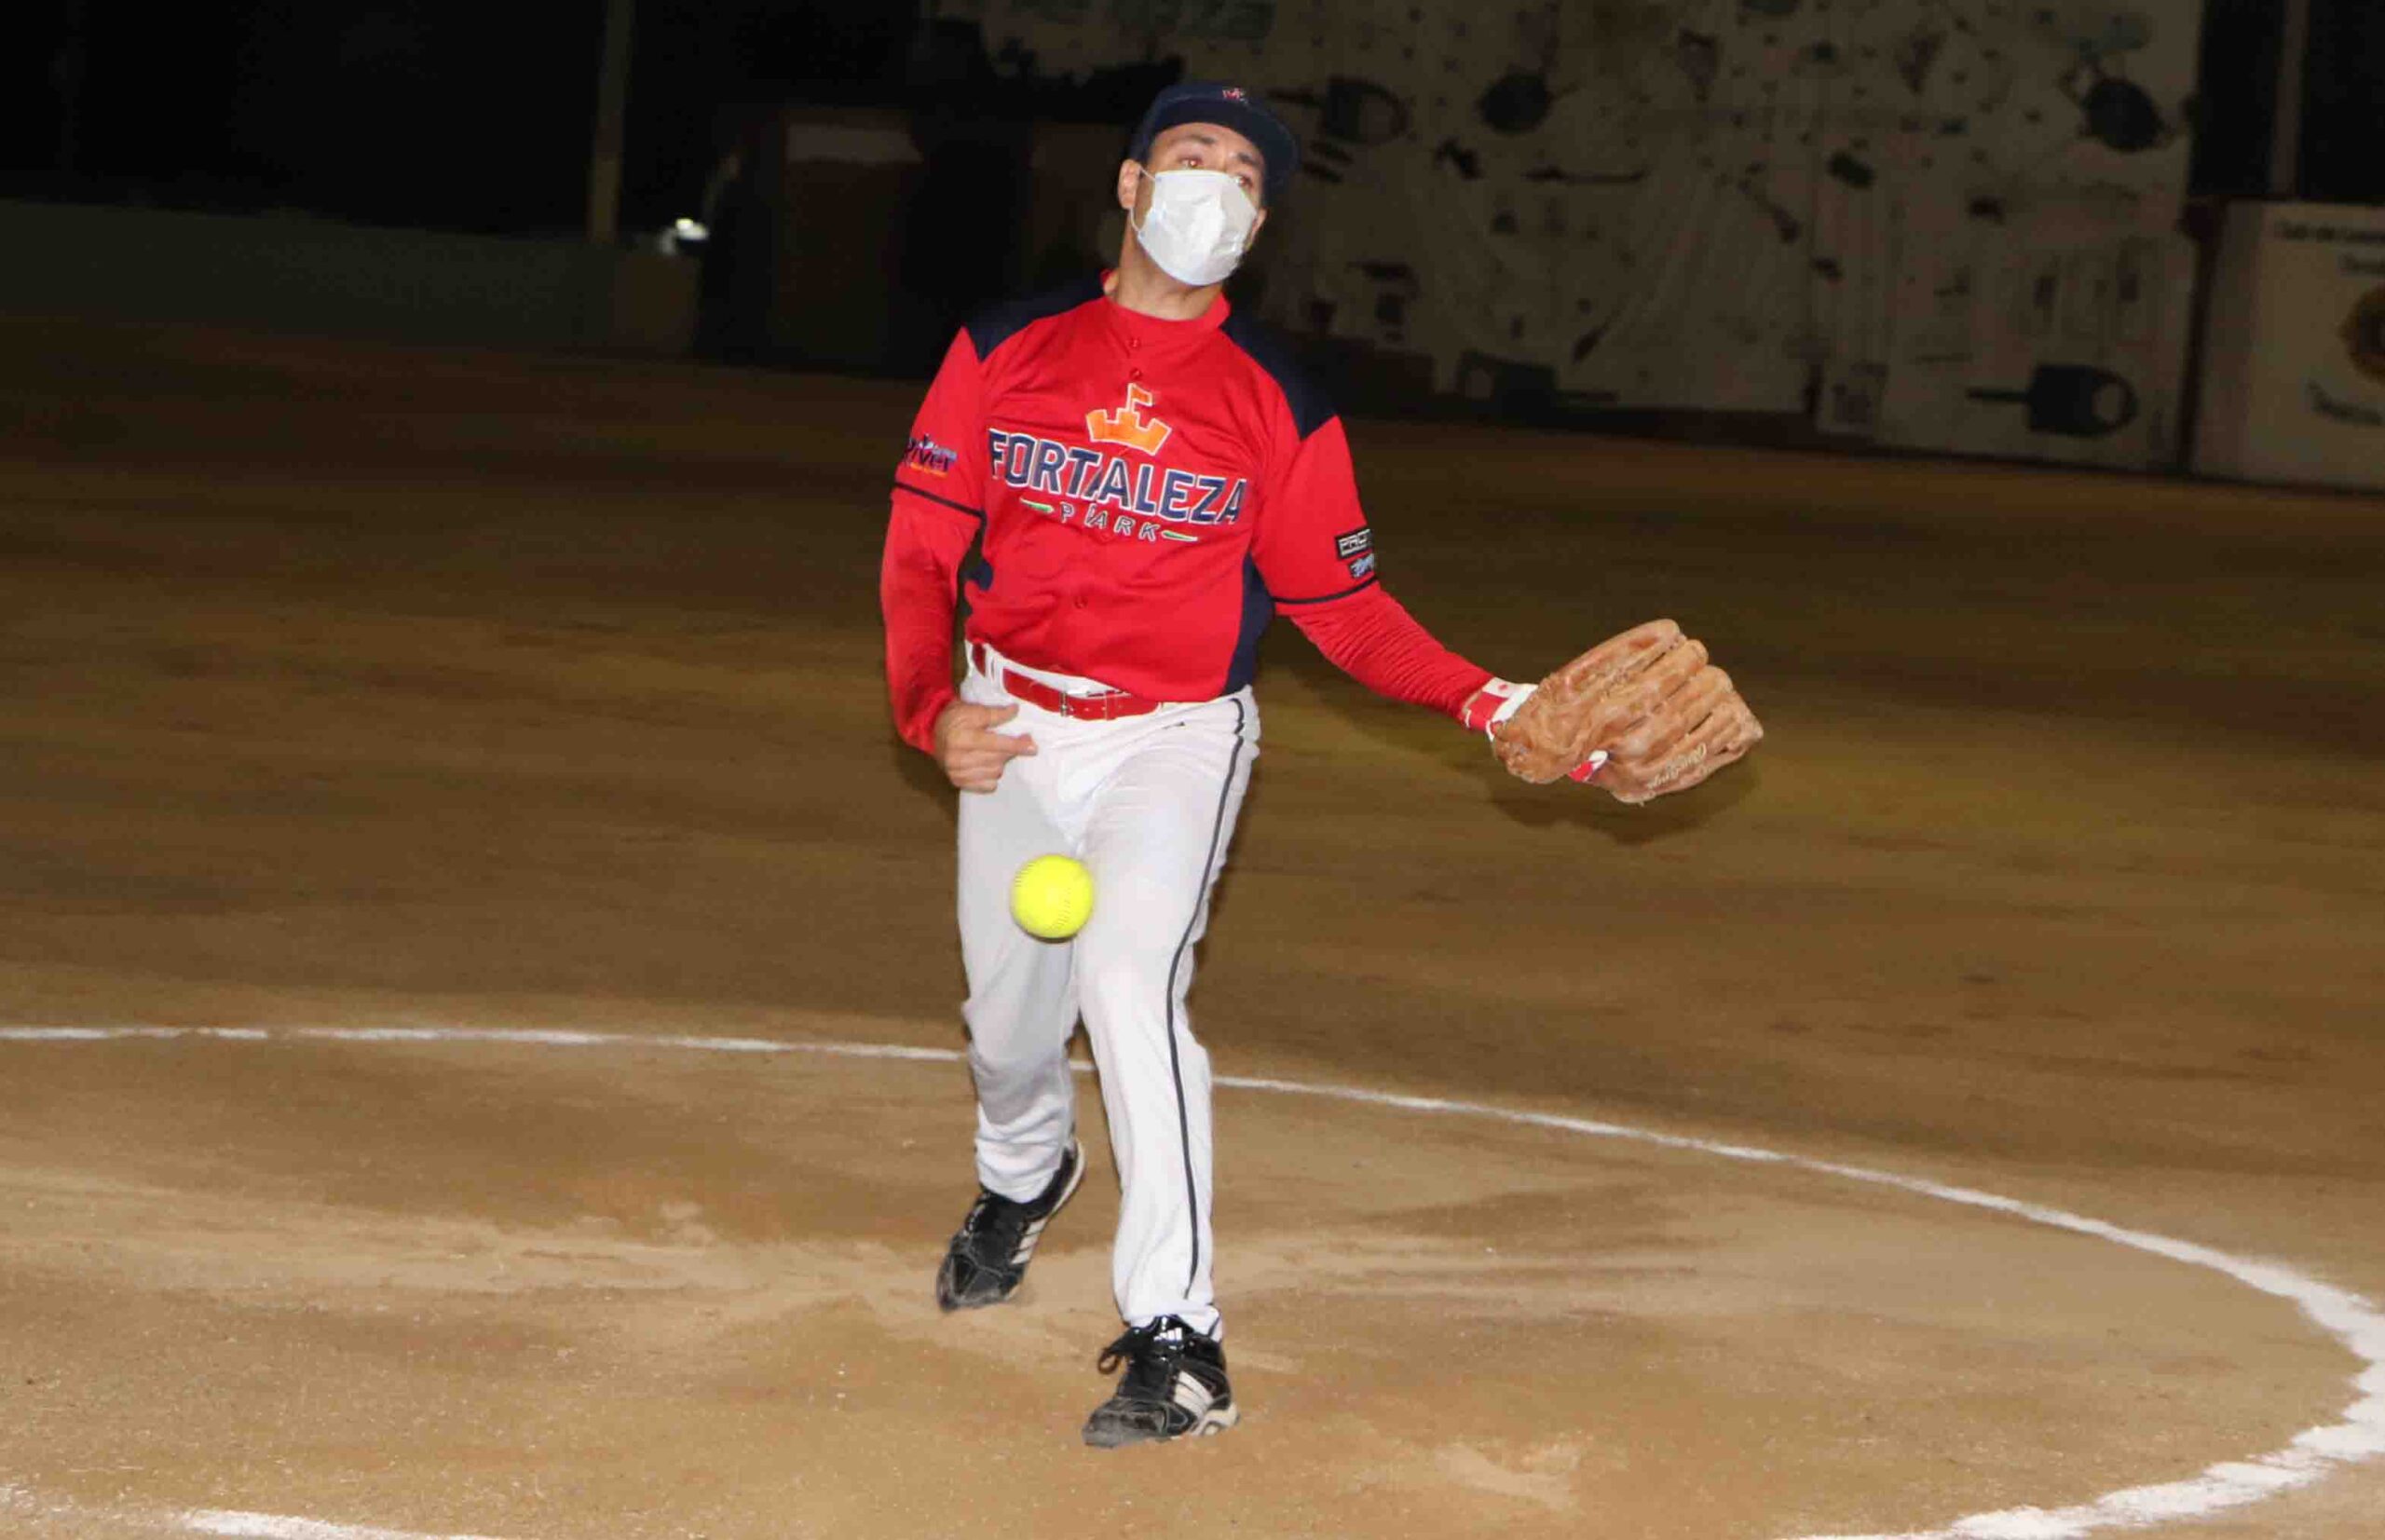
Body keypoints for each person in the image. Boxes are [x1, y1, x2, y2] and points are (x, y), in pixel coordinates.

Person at [879, 81, 1541, 1448]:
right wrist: (926, 703)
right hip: (1010, 723)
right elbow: (923, 546)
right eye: (1194, 156)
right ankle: (1025, 1174)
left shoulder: (1278, 402)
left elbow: (1343, 610)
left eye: (1246, 174)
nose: (1217, 185)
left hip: (1173, 737)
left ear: (1259, 222)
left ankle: (1183, 1339)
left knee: (1129, 982)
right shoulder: (1008, 342)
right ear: (1129, 187)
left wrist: (1488, 698)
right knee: (1009, 1029)